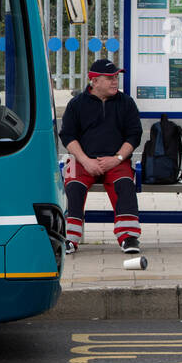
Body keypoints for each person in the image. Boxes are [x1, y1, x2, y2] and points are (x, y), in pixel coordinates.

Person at [59, 58, 143, 254]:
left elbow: (134, 135)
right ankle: (70, 238)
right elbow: (68, 136)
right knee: (73, 186)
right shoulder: (76, 104)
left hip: (116, 161)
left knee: (124, 185)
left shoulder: (126, 103)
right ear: (94, 81)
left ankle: (128, 237)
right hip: (84, 160)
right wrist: (86, 161)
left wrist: (117, 158)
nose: (115, 81)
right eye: (109, 78)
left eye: (116, 77)